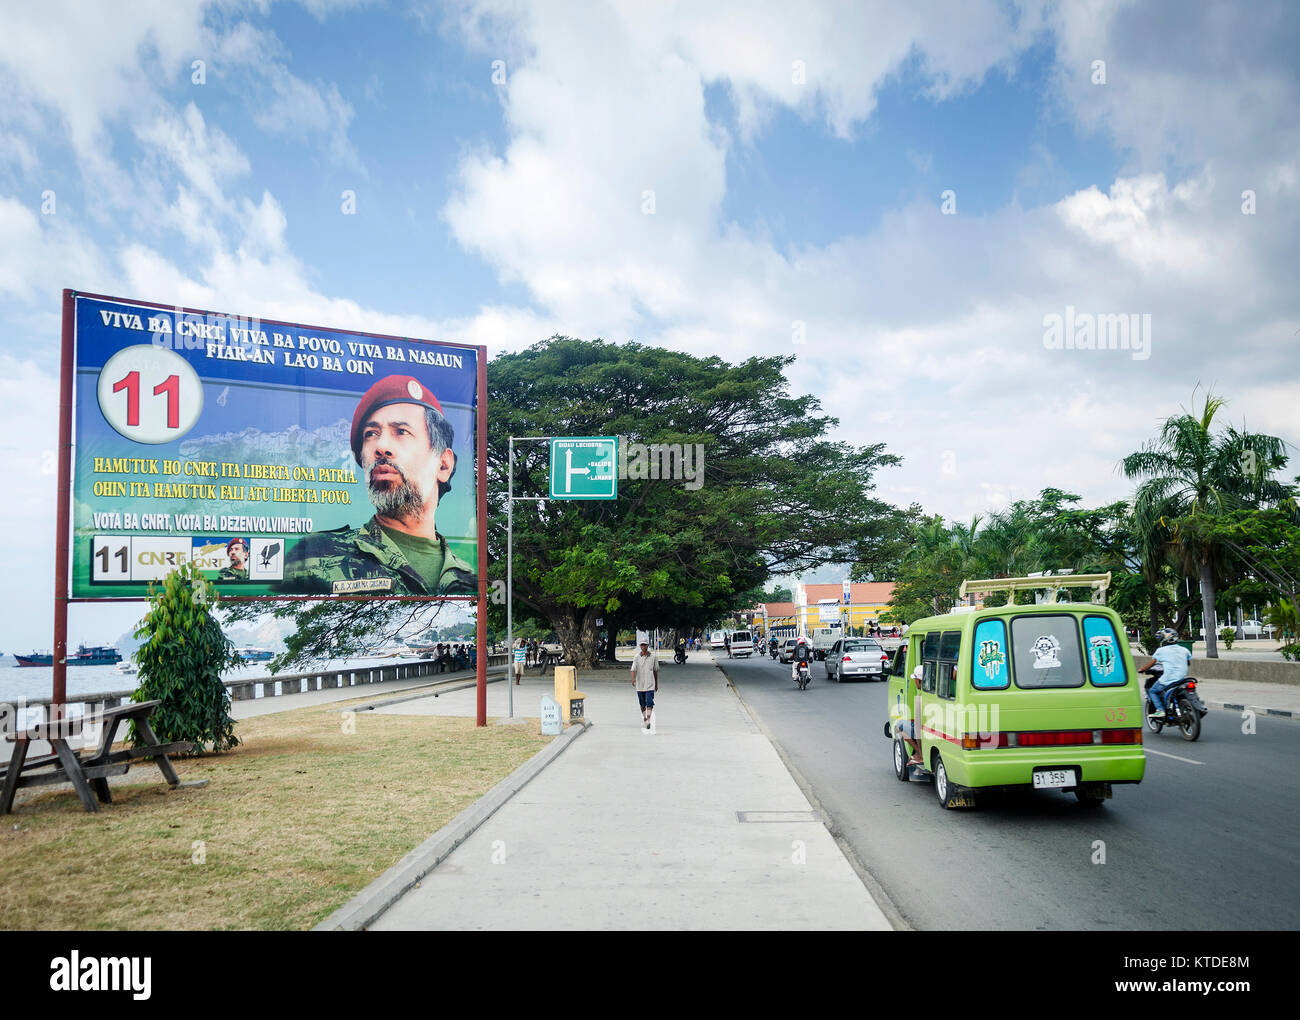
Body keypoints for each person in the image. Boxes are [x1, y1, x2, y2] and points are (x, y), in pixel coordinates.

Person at [282, 374, 476, 595]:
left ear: (443, 465)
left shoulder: (468, 578)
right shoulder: (312, 556)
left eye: (401, 432)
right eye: (371, 434)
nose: (381, 446)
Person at [1135, 628, 1192, 719]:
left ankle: (1160, 710)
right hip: (1182, 678)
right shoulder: (1184, 650)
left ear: (1164, 639)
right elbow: (1188, 663)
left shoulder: (1161, 651)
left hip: (1168, 679)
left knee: (1153, 691)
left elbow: (1151, 664)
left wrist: (1142, 669)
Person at [896, 666, 924, 766]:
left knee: (899, 726)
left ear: (919, 680)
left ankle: (920, 755)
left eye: (915, 679)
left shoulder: (921, 697)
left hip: (924, 729)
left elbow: (918, 725)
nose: (915, 682)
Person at [630, 638, 659, 732]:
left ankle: (649, 719)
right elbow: (633, 669)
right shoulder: (636, 657)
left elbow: (655, 670)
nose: (643, 647)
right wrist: (633, 679)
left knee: (649, 702)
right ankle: (645, 719)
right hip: (640, 685)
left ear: (648, 646)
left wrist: (656, 684)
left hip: (650, 684)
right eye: (642, 645)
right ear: (640, 646)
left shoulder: (653, 657)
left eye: (645, 645)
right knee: (642, 704)